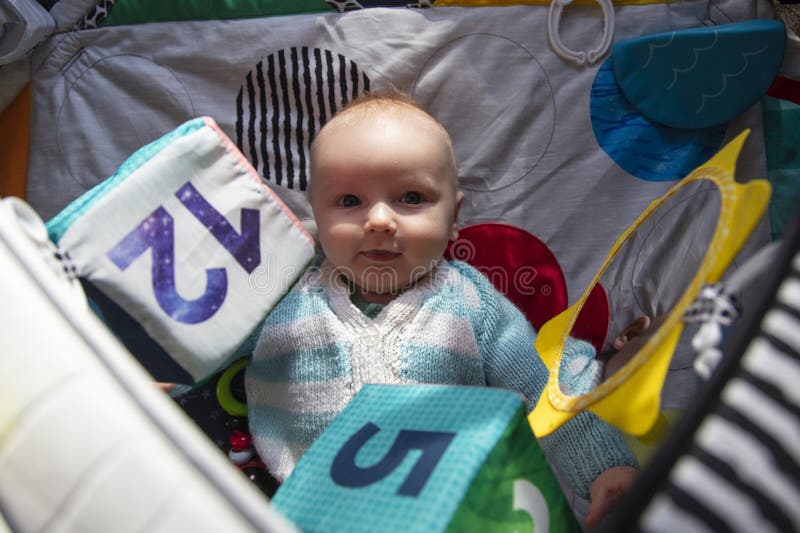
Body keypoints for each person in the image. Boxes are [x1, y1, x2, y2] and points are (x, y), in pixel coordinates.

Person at [244, 88, 638, 526]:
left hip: (448, 511)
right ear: (316, 215)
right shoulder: (281, 294)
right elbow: (202, 342)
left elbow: (543, 386)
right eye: (349, 202)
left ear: (453, 217)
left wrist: (602, 466)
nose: (379, 221)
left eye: (411, 198)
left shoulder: (471, 303)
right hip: (306, 514)